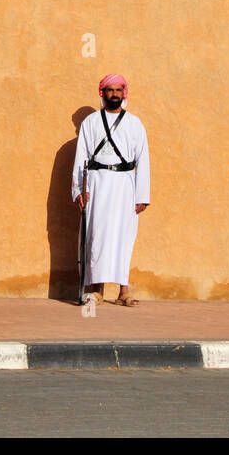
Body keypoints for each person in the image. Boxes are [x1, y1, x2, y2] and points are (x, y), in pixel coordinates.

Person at [72, 73, 150, 307]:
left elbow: (143, 159)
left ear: (123, 93)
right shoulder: (91, 122)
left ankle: (124, 291)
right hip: (97, 184)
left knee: (123, 237)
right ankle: (96, 290)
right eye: (110, 90)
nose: (114, 94)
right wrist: (79, 189)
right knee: (96, 236)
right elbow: (81, 158)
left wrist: (142, 195)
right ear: (102, 93)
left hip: (125, 186)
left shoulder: (135, 123)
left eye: (118, 90)